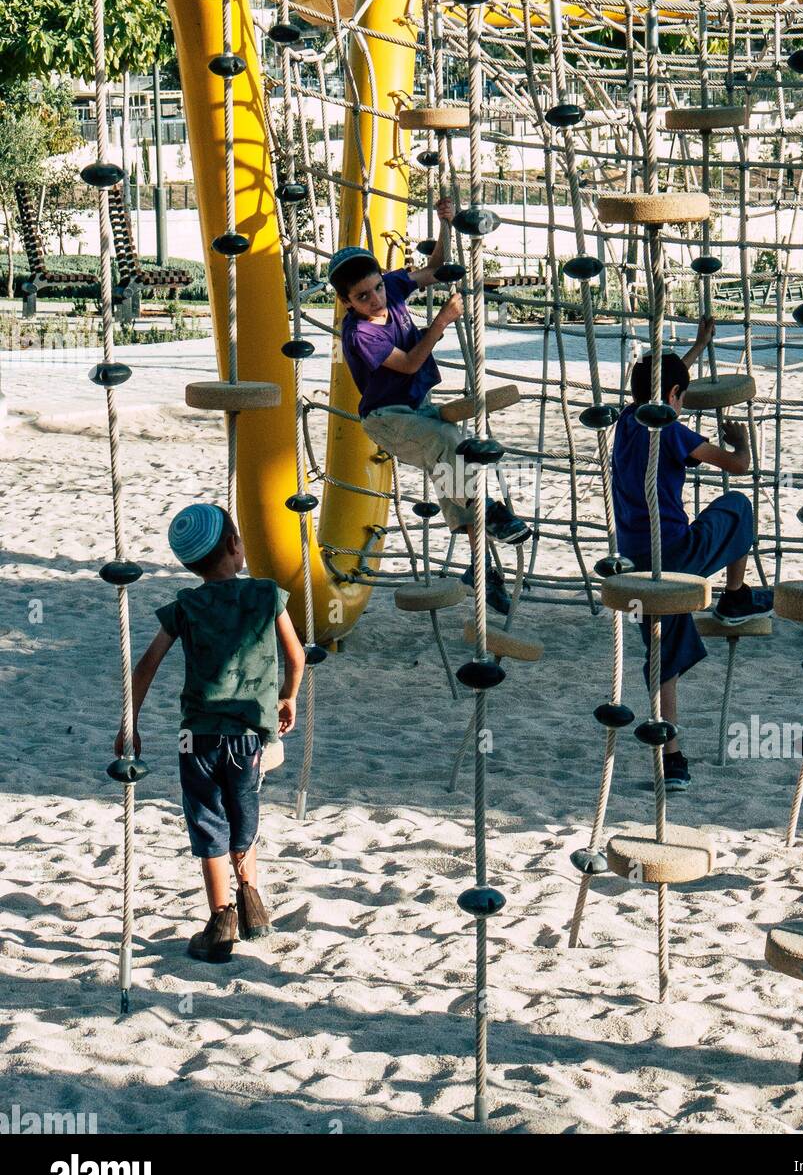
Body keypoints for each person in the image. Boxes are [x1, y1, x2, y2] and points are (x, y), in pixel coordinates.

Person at [115, 504, 305, 963]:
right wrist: (287, 696)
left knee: (208, 823)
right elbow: (296, 655)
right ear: (236, 547)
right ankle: (252, 902)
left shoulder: (185, 606)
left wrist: (130, 723)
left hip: (196, 740)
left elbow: (145, 666)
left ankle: (221, 920)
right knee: (245, 815)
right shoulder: (266, 595)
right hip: (250, 739)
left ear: (189, 564)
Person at [330, 198, 530, 616]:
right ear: (347, 303)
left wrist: (445, 224)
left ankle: (481, 571)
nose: (375, 300)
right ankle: (491, 514)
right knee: (447, 442)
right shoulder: (360, 335)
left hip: (417, 406)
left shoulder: (391, 288)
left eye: (377, 288)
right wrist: (441, 322)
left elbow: (438, 266)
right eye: (362, 297)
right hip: (386, 419)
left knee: (458, 464)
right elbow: (408, 364)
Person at [612, 321, 772, 792]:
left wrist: (698, 346)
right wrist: (740, 438)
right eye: (681, 396)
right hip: (678, 556)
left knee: (663, 650)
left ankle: (672, 758)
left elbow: (663, 382)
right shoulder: (675, 434)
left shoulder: (625, 421)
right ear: (676, 396)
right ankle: (736, 595)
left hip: (638, 561)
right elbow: (739, 467)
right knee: (738, 506)